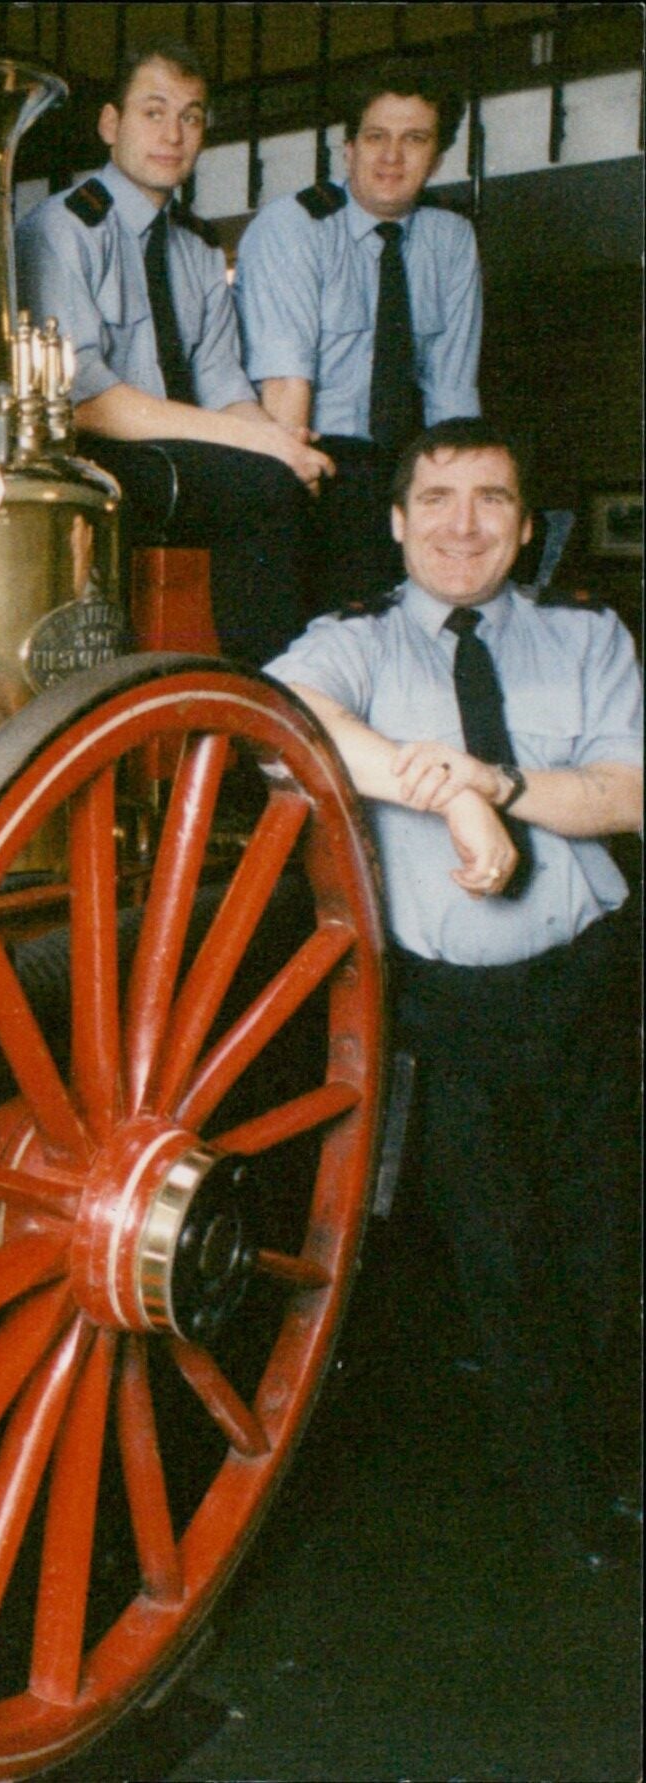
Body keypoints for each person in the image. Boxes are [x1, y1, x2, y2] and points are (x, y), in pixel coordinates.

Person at [267, 417, 642, 1565]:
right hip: (444, 1007)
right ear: (394, 520)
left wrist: (495, 778)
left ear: (526, 527)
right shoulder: (357, 644)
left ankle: (614, 1462)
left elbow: (627, 792)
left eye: (489, 499)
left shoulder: (587, 636)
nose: (461, 524)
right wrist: (448, 800)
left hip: (587, 984)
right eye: (435, 498)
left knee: (606, 1244)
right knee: (497, 1254)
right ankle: (567, 1505)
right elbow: (278, 720)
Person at [16, 40, 335, 666]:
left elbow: (224, 385)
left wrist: (282, 439)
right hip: (94, 456)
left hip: (177, 453)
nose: (173, 133)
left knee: (313, 481)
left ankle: (283, 693)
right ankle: (266, 701)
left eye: (191, 116)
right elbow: (89, 406)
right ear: (111, 124)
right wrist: (261, 449)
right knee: (263, 486)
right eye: (154, 112)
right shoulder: (62, 228)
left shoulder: (195, 246)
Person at [237, 73, 480, 612]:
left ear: (436, 158)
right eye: (376, 137)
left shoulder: (452, 239)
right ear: (347, 150)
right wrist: (293, 501)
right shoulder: (295, 226)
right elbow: (284, 392)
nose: (392, 156)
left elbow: (453, 392)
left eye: (414, 139)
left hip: (409, 464)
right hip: (318, 456)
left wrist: (458, 502)